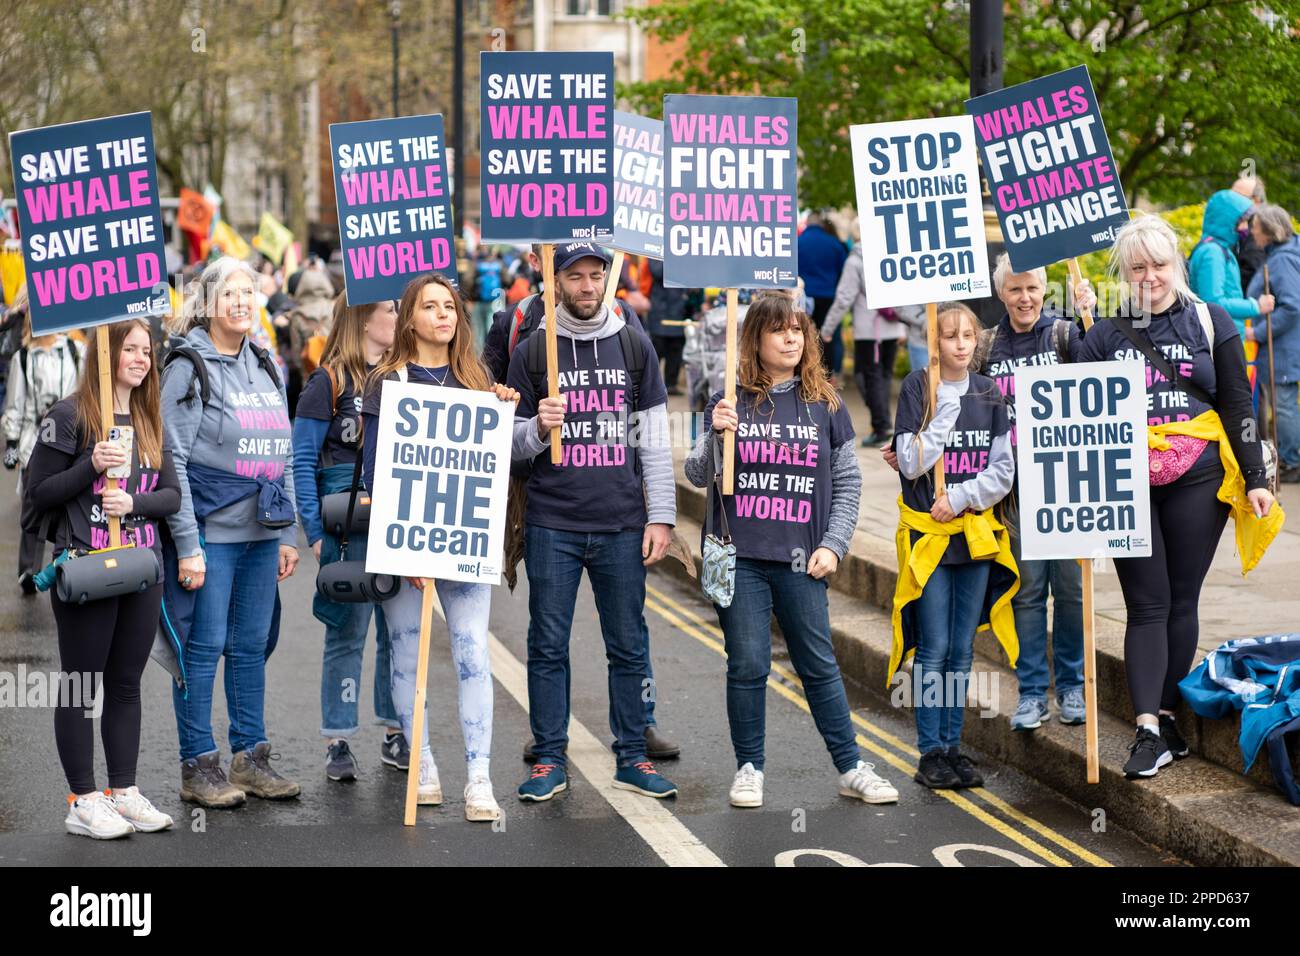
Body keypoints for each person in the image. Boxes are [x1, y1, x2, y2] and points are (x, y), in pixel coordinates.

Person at [1080, 214, 1278, 778]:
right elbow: (1073, 420)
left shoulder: (1213, 322)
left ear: (1178, 265)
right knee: (1146, 603)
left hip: (1201, 476)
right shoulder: (1102, 334)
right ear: (1123, 272)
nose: (1150, 276)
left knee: (1182, 600)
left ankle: (1167, 718)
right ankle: (1146, 729)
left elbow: (1238, 406)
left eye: (1159, 264)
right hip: (1127, 481)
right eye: (1136, 267)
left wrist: (1258, 480)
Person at [684, 293, 897, 808]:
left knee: (818, 664)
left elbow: (847, 482)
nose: (791, 339)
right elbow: (695, 475)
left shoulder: (826, 403)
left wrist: (836, 544)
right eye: (779, 331)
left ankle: (850, 766)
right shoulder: (730, 397)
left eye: (798, 330)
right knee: (749, 663)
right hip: (739, 556)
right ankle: (749, 768)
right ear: (755, 339)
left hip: (804, 557)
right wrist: (716, 434)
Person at [487, 242, 680, 762]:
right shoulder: (531, 351)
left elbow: (655, 439)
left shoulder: (635, 348)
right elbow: (507, 445)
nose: (588, 286)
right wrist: (535, 429)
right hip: (553, 523)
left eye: (597, 275)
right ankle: (549, 752)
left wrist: (661, 516)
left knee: (627, 643)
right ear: (555, 280)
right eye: (576, 277)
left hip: (622, 521)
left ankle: (632, 751)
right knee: (548, 644)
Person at [361, 273, 518, 822]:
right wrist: (405, 550)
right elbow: (375, 471)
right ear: (409, 318)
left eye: (449, 306)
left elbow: (501, 457)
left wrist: (508, 410)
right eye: (430, 306)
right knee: (407, 653)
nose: (443, 315)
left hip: (464, 543)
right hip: (406, 542)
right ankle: (423, 764)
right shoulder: (386, 381)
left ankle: (479, 777)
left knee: (474, 653)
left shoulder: (478, 379)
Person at [23, 319, 179, 838]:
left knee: (126, 685)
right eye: (129, 348)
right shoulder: (68, 415)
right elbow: (37, 494)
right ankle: (82, 800)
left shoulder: (149, 415)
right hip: (87, 566)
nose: (140, 358)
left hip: (141, 568)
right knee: (80, 685)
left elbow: (172, 497)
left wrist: (134, 502)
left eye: (146, 350)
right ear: (105, 352)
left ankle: (123, 791)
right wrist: (90, 464)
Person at [162, 256, 301, 808]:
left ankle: (251, 759)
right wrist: (188, 543)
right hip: (210, 535)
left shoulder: (265, 362)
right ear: (209, 303)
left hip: (261, 534)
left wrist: (287, 530)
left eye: (249, 293)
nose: (242, 303)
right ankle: (198, 766)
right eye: (230, 295)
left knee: (249, 646)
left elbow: (282, 449)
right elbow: (172, 455)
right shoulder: (187, 366)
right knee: (203, 646)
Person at [890, 303, 1018, 790]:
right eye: (950, 336)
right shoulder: (918, 388)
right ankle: (930, 752)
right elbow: (909, 461)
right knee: (936, 646)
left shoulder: (989, 392)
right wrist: (943, 411)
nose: (961, 344)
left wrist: (962, 497)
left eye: (968, 335)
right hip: (931, 538)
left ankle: (952, 745)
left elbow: (1003, 471)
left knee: (963, 650)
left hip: (975, 534)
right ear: (934, 341)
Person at [293, 292, 405, 781]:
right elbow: (300, 460)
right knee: (348, 630)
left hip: (397, 515)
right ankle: (338, 739)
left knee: (396, 632)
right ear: (363, 318)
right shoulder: (329, 380)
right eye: (392, 309)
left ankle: (394, 730)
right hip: (348, 523)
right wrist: (314, 533)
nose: (401, 317)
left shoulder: (403, 375)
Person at [978, 255, 1091, 732]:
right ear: (1002, 294)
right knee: (1026, 593)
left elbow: (1104, 378)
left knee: (1069, 591)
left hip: (1066, 484)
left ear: (1045, 291)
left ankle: (1070, 687)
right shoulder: (987, 346)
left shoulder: (1065, 335)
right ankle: (1030, 693)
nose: (1025, 298)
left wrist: (1091, 318)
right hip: (1015, 491)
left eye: (1032, 289)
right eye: (1015, 290)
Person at [3, 286, 84, 594]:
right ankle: (28, 569)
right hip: (33, 440)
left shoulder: (75, 350)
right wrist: (12, 443)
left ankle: (66, 561)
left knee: (69, 501)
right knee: (34, 502)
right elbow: (15, 403)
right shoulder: (23, 358)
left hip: (70, 439)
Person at [819, 241, 903, 447]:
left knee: (866, 376)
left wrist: (827, 329)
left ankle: (881, 426)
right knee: (882, 376)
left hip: (869, 332)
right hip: (892, 328)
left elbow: (844, 298)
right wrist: (902, 328)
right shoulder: (889, 252)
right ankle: (883, 423)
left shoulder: (856, 260)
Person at [1245, 204, 1300, 483]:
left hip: (1283, 349)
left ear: (1269, 230)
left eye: (1255, 226)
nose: (1251, 231)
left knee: (1283, 404)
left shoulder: (1282, 261)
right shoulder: (1281, 254)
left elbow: (1292, 307)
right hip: (1282, 347)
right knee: (1283, 402)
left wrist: (1258, 331)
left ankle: (1292, 462)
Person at [1189, 189, 1272, 338]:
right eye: (1242, 221)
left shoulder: (1220, 248)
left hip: (1224, 336)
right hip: (1220, 340)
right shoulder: (1212, 253)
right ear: (1227, 221)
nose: (1246, 227)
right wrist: (1256, 306)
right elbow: (1214, 303)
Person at [799, 212, 849, 385]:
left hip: (805, 297)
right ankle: (827, 375)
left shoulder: (797, 242)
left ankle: (805, 372)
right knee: (826, 336)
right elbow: (844, 271)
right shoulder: (834, 243)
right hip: (829, 295)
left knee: (804, 335)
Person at [646, 257, 689, 395]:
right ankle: (650, 385)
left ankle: (671, 384)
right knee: (655, 351)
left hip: (679, 310)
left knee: (675, 351)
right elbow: (657, 271)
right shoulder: (656, 249)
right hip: (660, 311)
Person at [1232, 175, 1268, 291]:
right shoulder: (1241, 222)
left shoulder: (1261, 229)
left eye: (1238, 196)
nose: (1231, 200)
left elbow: (1252, 271)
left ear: (1256, 201)